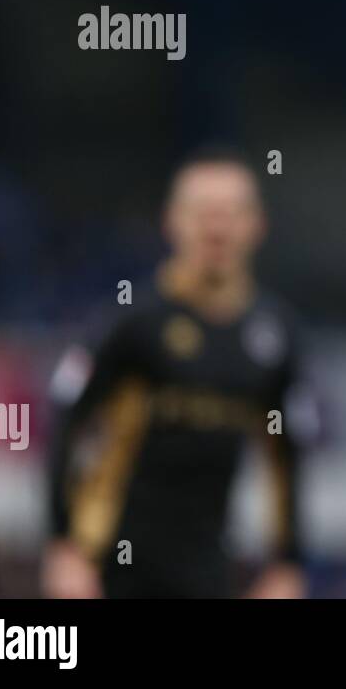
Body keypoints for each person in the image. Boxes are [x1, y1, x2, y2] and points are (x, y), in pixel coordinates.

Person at [43, 148, 307, 598]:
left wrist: (287, 564)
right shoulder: (131, 322)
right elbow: (65, 421)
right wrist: (64, 546)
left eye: (231, 213)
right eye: (202, 212)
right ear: (172, 221)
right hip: (114, 566)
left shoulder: (275, 334)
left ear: (256, 224)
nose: (216, 227)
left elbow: (288, 454)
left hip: (209, 570)